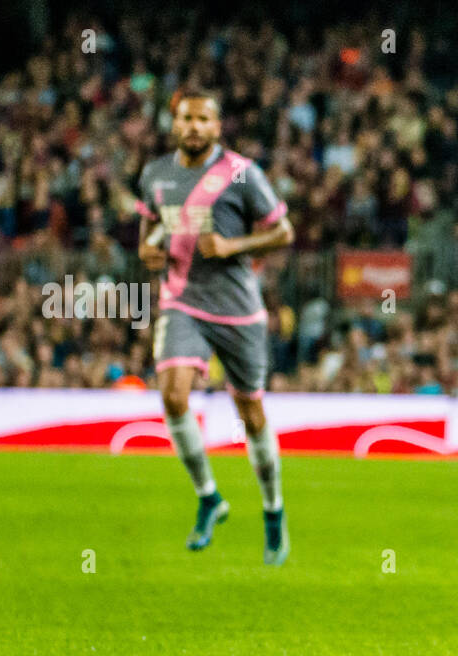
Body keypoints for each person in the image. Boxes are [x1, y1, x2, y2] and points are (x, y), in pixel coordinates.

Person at [137, 90, 295, 565]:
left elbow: (283, 232)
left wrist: (232, 248)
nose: (193, 126)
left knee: (251, 411)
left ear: (217, 126)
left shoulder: (242, 173)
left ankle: (273, 509)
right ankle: (208, 496)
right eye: (186, 118)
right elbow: (150, 235)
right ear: (174, 123)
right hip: (182, 301)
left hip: (238, 310)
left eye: (203, 118)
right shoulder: (155, 174)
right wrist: (147, 252)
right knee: (172, 393)